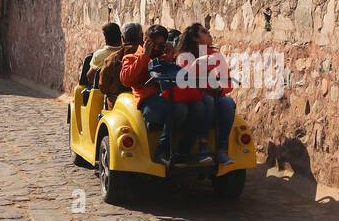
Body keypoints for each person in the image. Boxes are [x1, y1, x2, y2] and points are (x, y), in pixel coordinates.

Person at [121, 24, 207, 163]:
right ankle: (162, 150)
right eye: (152, 44)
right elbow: (126, 79)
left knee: (199, 107)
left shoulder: (166, 57)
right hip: (148, 99)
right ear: (145, 41)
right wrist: (145, 56)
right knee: (180, 108)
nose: (156, 48)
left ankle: (183, 151)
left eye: (160, 45)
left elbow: (180, 75)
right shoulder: (132, 57)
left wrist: (171, 58)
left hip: (172, 96)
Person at [177, 22, 237, 166]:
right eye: (204, 32)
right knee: (207, 100)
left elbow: (228, 83)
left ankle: (222, 149)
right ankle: (203, 148)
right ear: (195, 37)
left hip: (214, 95)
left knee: (228, 103)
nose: (209, 33)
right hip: (193, 98)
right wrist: (198, 64)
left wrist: (220, 89)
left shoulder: (215, 55)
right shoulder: (184, 56)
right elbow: (184, 80)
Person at [85, 22, 122, 87]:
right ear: (121, 37)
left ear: (105, 39)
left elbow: (90, 77)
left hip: (102, 90)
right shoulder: (127, 52)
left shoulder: (99, 54)